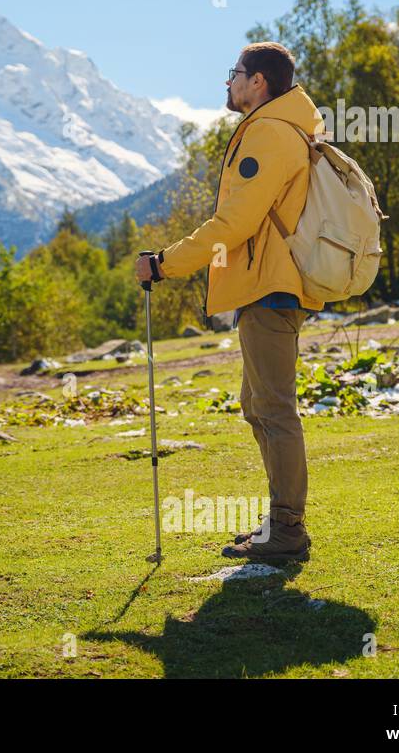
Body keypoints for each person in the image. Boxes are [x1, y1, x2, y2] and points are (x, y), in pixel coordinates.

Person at [135, 42, 321, 563]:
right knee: (259, 405)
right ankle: (280, 524)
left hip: (270, 287)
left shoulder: (268, 133)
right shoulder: (284, 128)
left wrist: (164, 263)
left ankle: (287, 530)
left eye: (235, 74)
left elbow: (234, 224)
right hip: (270, 285)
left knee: (274, 407)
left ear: (258, 81)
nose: (228, 83)